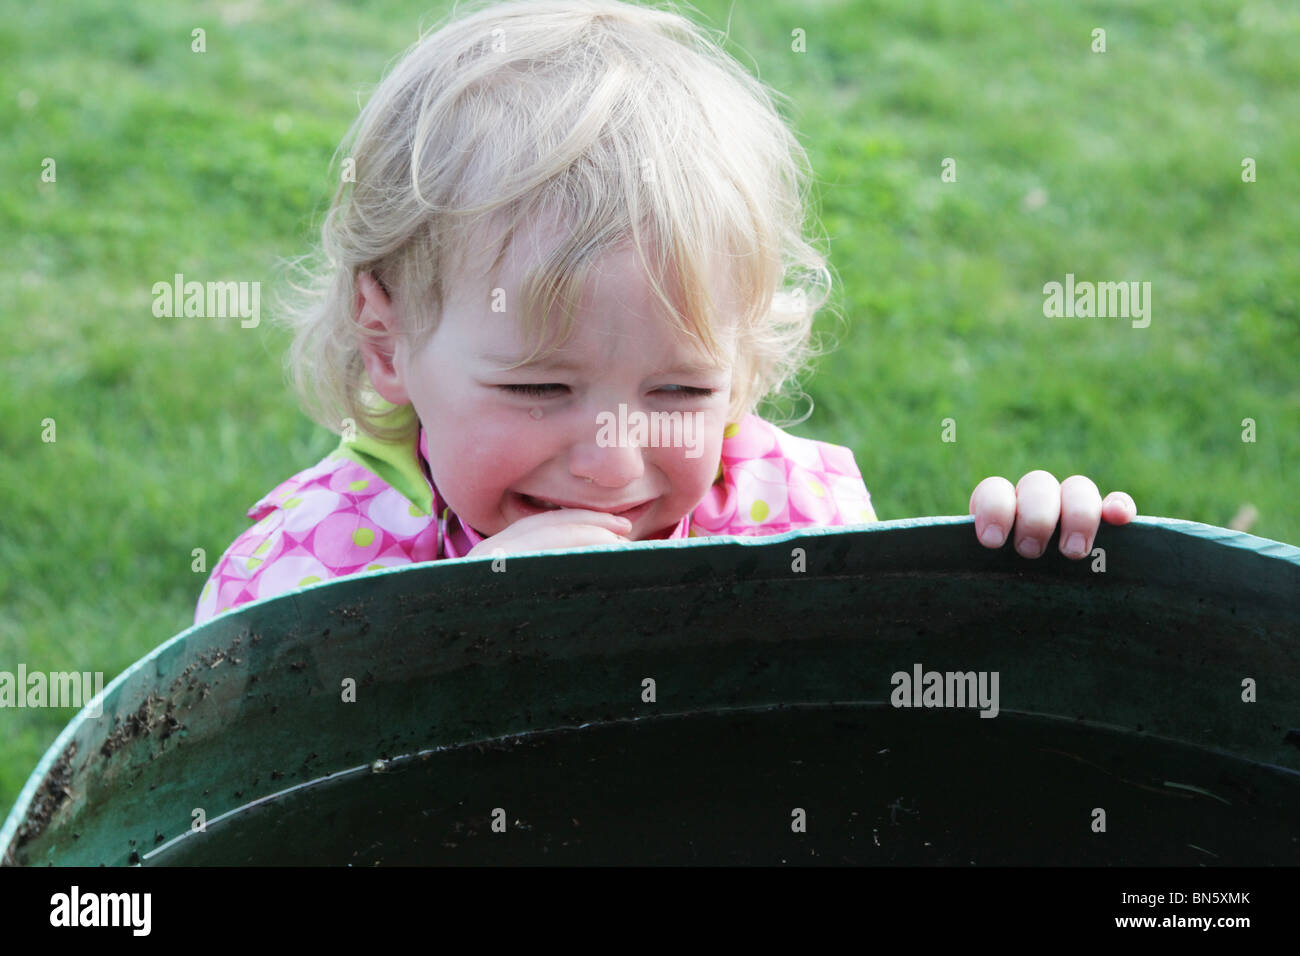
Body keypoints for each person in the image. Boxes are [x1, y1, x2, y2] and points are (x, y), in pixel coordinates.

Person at [194, 0, 1135, 625]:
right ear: (386, 343)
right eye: (540, 385)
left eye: (682, 388)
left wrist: (1017, 587)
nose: (611, 462)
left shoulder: (790, 523)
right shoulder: (305, 583)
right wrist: (459, 623)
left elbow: (880, 756)